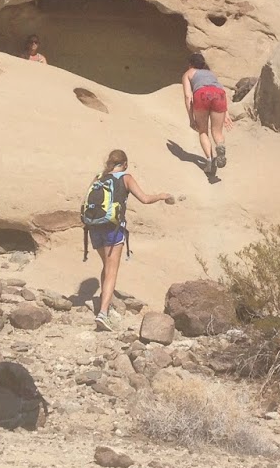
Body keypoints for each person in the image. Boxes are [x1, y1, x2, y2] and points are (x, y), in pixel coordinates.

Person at [85, 149, 174, 325]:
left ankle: (104, 304)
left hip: (94, 227)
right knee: (112, 270)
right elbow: (144, 199)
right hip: (113, 228)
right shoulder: (126, 178)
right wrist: (162, 196)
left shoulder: (99, 178)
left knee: (107, 266)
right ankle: (103, 313)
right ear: (124, 164)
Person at [181, 53, 228, 179]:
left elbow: (188, 96)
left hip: (202, 94)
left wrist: (191, 118)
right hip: (219, 95)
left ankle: (210, 160)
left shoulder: (188, 73)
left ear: (190, 64)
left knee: (203, 131)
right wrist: (226, 113)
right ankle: (220, 146)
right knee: (217, 132)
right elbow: (220, 89)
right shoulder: (211, 73)